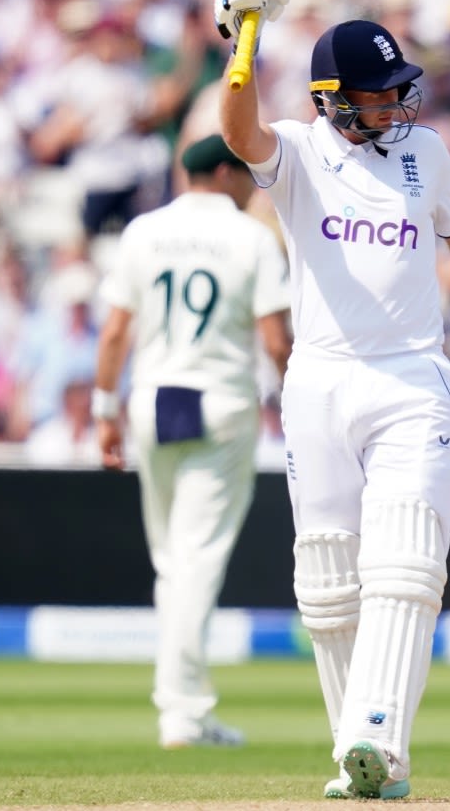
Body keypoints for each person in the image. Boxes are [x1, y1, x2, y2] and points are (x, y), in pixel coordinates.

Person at [212, 0, 450, 800]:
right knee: (328, 586)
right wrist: (245, 34)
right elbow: (238, 133)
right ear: (333, 98)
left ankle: (376, 738)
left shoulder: (426, 151)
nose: (395, 105)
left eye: (397, 90)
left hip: (413, 378)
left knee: (406, 563)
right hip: (319, 382)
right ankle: (364, 760)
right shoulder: (299, 152)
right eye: (377, 95)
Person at [91, 134, 294, 749]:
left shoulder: (143, 232)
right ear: (229, 173)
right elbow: (276, 340)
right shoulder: (252, 236)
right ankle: (183, 712)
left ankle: (184, 707)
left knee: (172, 561)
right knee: (196, 560)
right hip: (221, 403)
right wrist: (294, 400)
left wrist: (104, 408)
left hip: (154, 402)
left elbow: (114, 332)